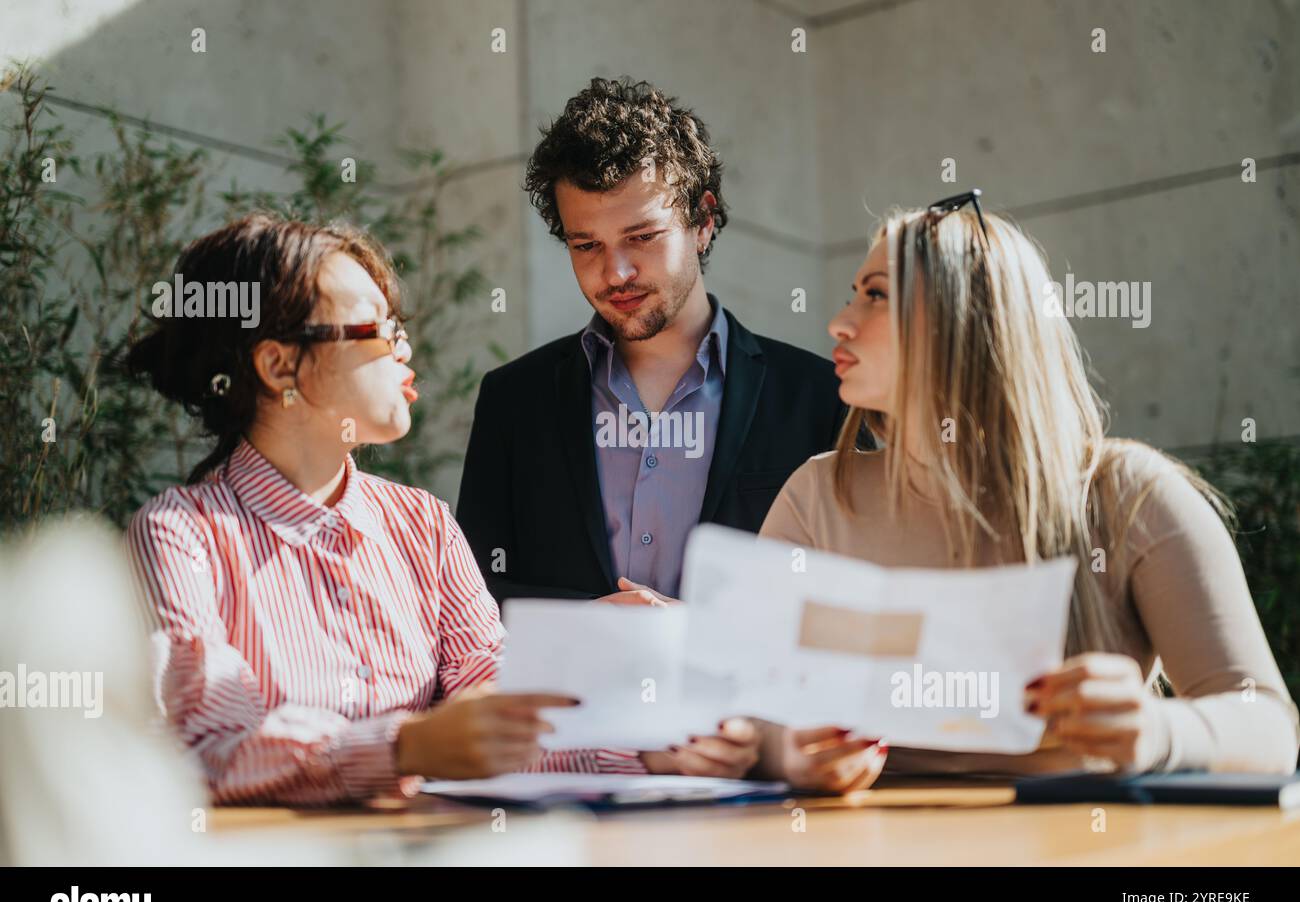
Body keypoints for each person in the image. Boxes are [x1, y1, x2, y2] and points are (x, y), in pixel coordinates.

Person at [124, 214, 880, 804]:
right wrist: (408, 749)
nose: (403, 346)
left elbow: (501, 707)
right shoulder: (180, 536)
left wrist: (649, 749)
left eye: (398, 322)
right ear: (278, 364)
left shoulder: (420, 524)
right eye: (374, 329)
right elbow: (200, 744)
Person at [761, 194, 1299, 776]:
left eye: (875, 295)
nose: (839, 323)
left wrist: (1156, 730)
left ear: (966, 317)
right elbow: (735, 708)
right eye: (853, 296)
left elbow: (1269, 726)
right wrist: (787, 753)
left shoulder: (1131, 495)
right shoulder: (815, 495)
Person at [456, 77, 854, 608]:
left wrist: (700, 632)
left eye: (642, 237)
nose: (615, 272)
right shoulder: (513, 398)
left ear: (703, 221)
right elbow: (469, 596)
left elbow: (851, 603)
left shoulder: (819, 397)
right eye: (587, 245)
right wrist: (586, 623)